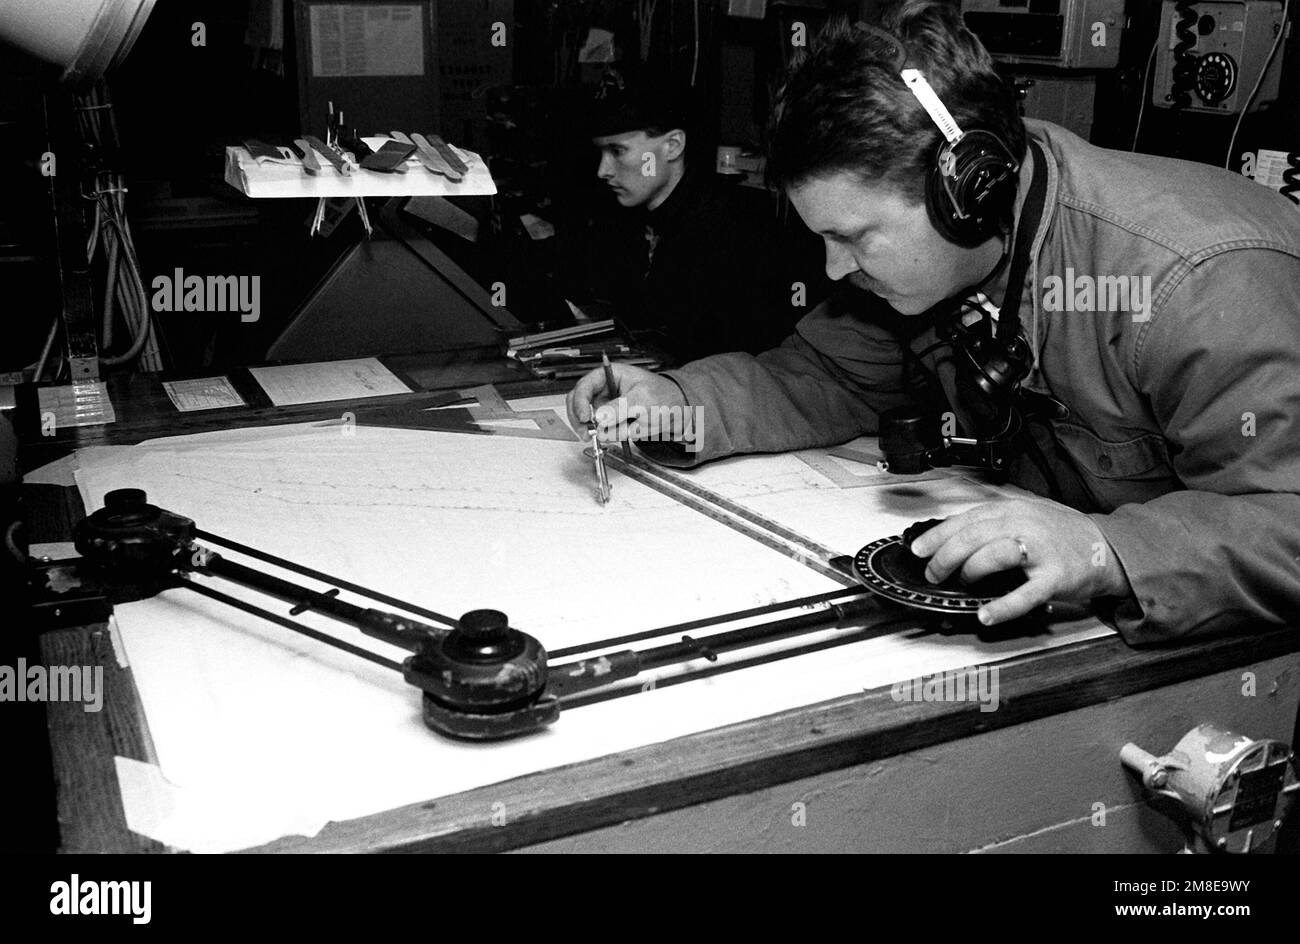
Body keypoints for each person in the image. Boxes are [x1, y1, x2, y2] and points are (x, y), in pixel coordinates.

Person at [566, 0, 1300, 644]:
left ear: (966, 192)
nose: (832, 269)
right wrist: (682, 404)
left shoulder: (1194, 281)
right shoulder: (930, 266)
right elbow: (820, 375)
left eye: (855, 238)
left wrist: (1105, 552)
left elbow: (1287, 524)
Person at [579, 83, 807, 361]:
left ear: (672, 146)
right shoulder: (622, 222)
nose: (603, 170)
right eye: (601, 153)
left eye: (617, 151)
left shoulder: (731, 234)